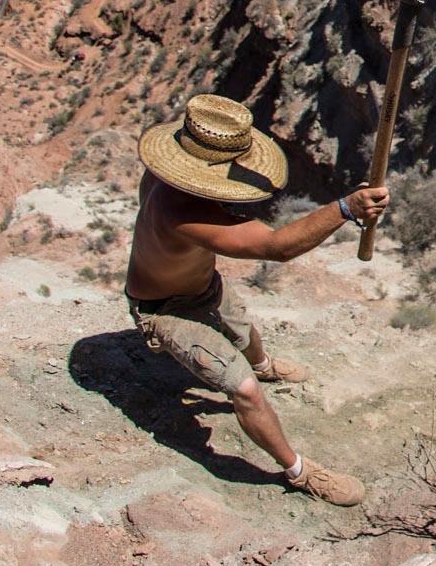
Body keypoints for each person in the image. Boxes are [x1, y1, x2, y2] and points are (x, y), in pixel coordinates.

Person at [124, 93, 391, 507]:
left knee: (243, 328)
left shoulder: (168, 178)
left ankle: (265, 366)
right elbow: (277, 247)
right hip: (164, 308)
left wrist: (349, 204)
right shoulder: (180, 210)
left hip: (201, 283)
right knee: (244, 390)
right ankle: (300, 471)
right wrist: (345, 208)